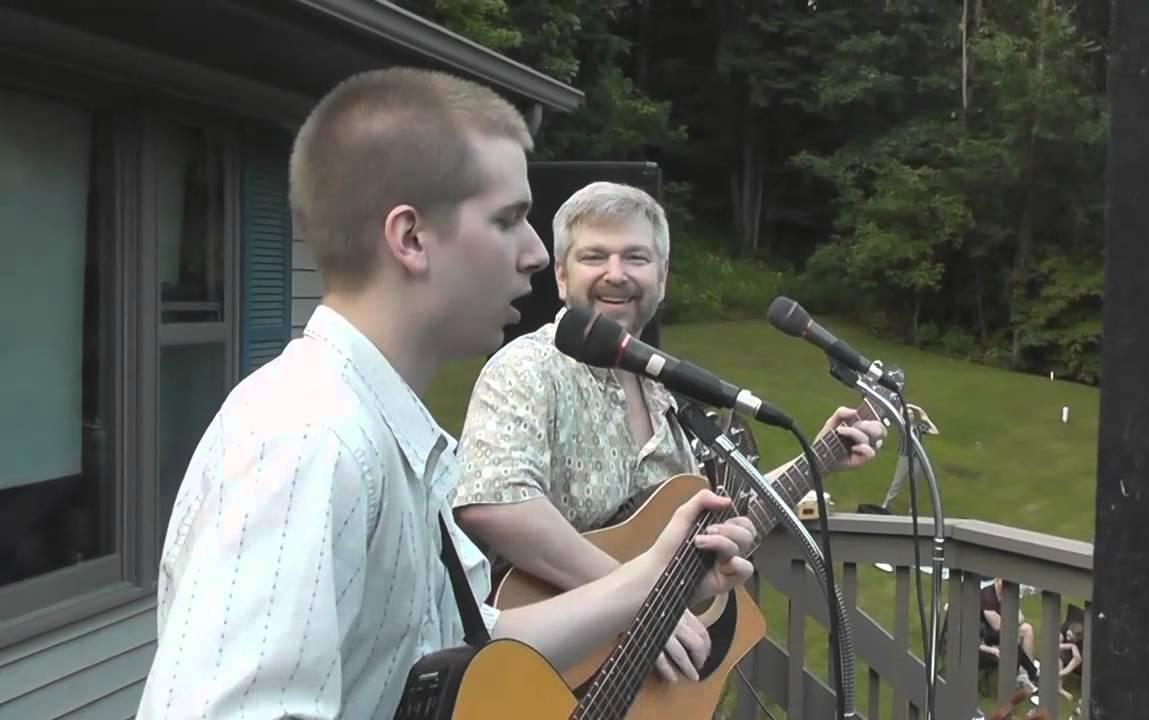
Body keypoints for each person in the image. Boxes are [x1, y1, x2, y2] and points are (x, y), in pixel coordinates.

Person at [134, 68, 758, 720]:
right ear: (411, 239)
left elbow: (467, 646)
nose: (536, 254)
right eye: (508, 220)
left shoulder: (389, 436)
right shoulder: (304, 440)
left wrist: (651, 578)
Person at [452, 180, 887, 683]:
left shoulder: (670, 395)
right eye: (595, 256)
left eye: (636, 258)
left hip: (637, 687)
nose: (616, 274)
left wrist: (820, 456)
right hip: (539, 673)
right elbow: (495, 503)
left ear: (662, 278)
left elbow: (713, 522)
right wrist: (641, 601)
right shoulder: (527, 368)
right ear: (562, 277)